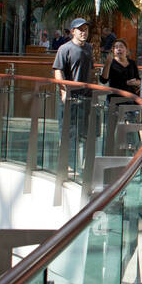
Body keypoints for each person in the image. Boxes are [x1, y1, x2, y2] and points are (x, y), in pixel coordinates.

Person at [53, 18, 94, 175]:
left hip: (86, 97)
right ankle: (68, 164)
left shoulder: (89, 48)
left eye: (86, 29)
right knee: (68, 131)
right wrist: (63, 91)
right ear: (73, 31)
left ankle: (82, 163)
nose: (84, 32)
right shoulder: (65, 49)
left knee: (83, 131)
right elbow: (58, 70)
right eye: (80, 29)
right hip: (70, 97)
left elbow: (89, 70)